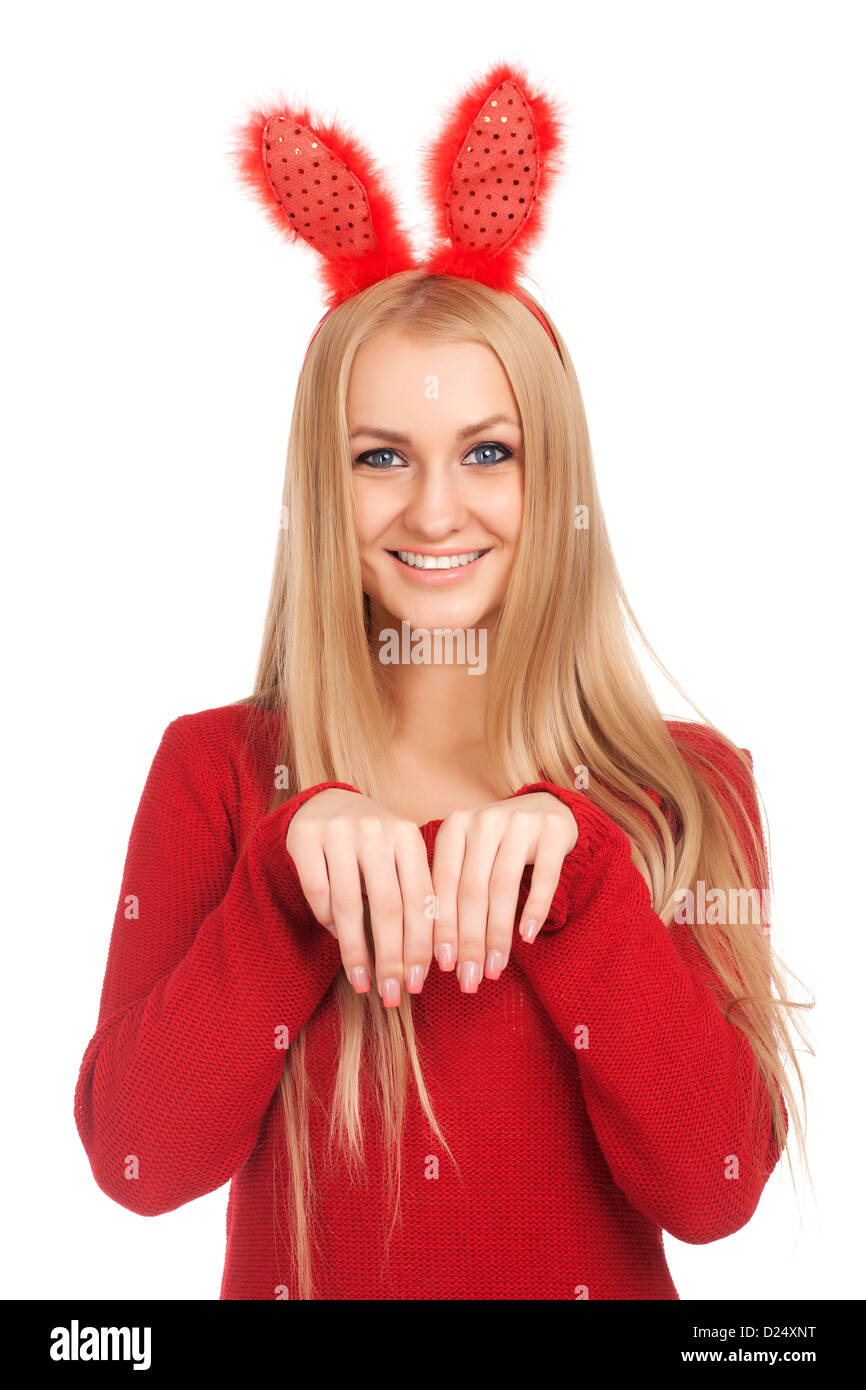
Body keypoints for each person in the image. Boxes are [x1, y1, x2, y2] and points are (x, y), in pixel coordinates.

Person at [74, 63, 810, 1301]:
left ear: (552, 478)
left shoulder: (684, 788)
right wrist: (280, 890)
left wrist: (584, 886)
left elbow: (716, 1185)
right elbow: (138, 1162)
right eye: (378, 457)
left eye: (487, 451)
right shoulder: (217, 773)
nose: (433, 507)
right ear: (324, 487)